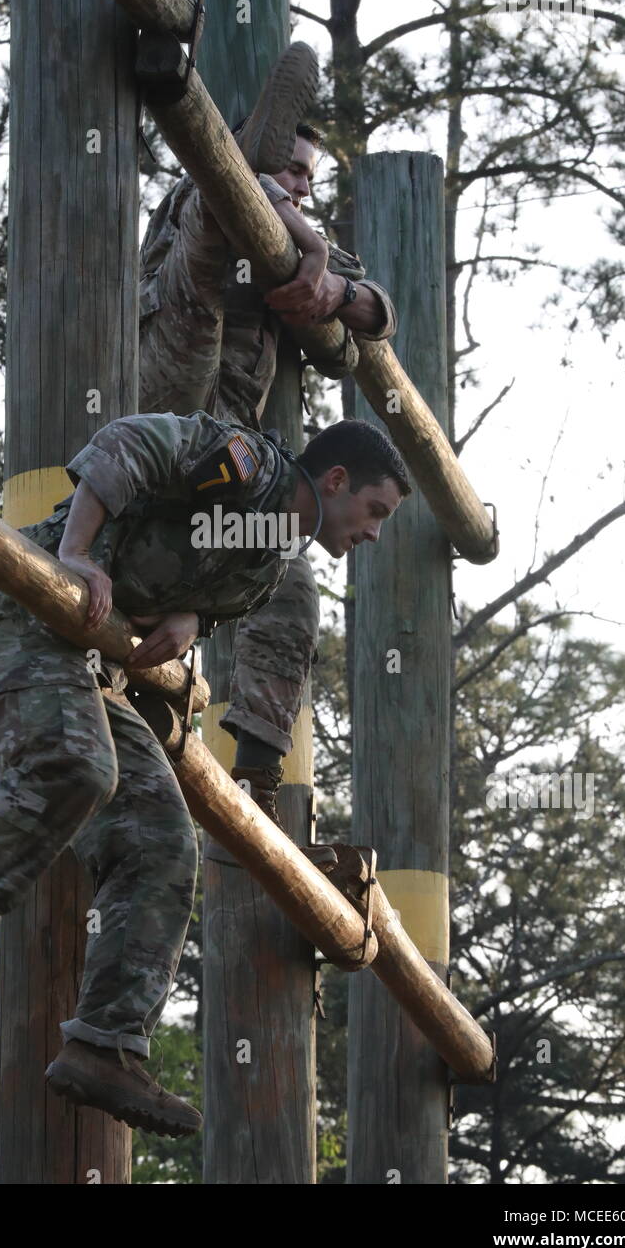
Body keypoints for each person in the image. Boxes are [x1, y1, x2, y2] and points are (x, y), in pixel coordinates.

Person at [0, 410, 410, 1138]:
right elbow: (129, 444)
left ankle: (103, 1046)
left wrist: (189, 619)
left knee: (163, 841)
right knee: (78, 765)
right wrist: (78, 551)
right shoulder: (249, 469)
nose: (373, 531)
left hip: (97, 667)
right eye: (374, 510)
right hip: (31, 618)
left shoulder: (269, 562)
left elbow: (197, 578)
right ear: (337, 479)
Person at [139, 42, 399, 820]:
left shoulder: (301, 242)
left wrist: (332, 288)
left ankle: (253, 768)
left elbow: (382, 311)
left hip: (225, 453)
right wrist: (300, 243)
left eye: (306, 180)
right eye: (285, 166)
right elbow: (232, 220)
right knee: (208, 269)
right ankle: (235, 172)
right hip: (157, 403)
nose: (297, 184)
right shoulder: (188, 192)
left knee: (290, 577)